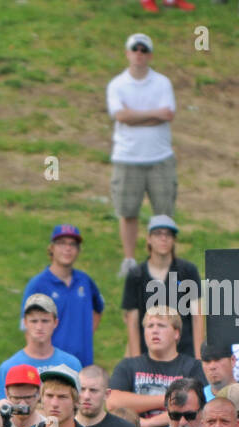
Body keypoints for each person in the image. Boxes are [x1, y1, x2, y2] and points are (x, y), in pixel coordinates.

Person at [107, 33, 176, 279]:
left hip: (160, 158)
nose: (139, 54)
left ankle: (164, 262)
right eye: (134, 50)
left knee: (164, 213)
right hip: (127, 158)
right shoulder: (117, 85)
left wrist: (135, 117)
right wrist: (152, 115)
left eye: (143, 50)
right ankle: (129, 260)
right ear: (127, 53)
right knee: (128, 212)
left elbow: (167, 114)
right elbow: (120, 116)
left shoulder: (162, 83)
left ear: (150, 55)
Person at [108, 306, 206, 427]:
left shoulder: (194, 367)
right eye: (150, 326)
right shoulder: (128, 365)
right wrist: (173, 399)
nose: (155, 331)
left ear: (176, 333)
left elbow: (196, 408)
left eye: (161, 325)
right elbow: (113, 402)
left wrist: (149, 423)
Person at [19, 225, 104, 369]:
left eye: (73, 244)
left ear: (78, 250)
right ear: (51, 248)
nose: (68, 248)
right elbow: (27, 327)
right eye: (62, 243)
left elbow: (98, 308)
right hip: (51, 365)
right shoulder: (38, 285)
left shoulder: (85, 281)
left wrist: (85, 337)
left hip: (82, 364)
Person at [120, 215, 203, 359]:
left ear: (174, 239)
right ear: (149, 239)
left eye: (168, 234)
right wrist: (135, 361)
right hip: (148, 353)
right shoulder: (136, 275)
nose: (163, 238)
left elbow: (198, 316)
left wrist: (199, 357)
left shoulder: (188, 271)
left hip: (184, 351)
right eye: (158, 234)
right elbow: (132, 322)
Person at [0, 294, 82, 404]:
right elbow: (0, 411)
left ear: (55, 322)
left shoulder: (72, 364)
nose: (39, 327)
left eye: (45, 321)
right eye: (34, 321)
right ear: (25, 323)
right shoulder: (8, 367)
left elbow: (79, 407)